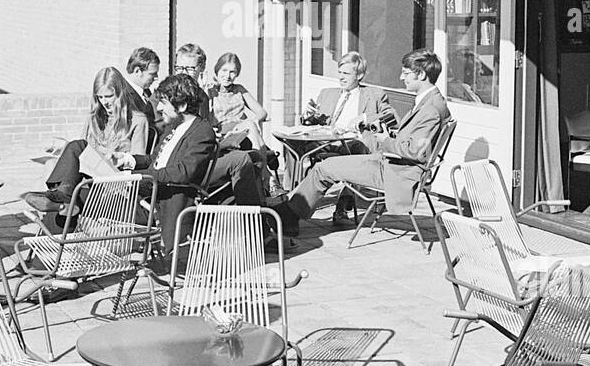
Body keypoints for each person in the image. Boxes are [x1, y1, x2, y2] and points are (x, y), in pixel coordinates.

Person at [276, 49, 451, 230]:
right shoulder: (432, 102)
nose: (401, 77)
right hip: (392, 164)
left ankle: (288, 217)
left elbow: (414, 151)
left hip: (395, 172)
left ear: (421, 74)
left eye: (406, 73)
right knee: (321, 165)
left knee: (324, 168)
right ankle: (289, 212)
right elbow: (413, 143)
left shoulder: (430, 108)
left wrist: (384, 139)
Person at [110, 73, 217, 258]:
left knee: (89, 200)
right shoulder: (173, 128)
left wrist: (140, 177)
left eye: (164, 103)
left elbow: (184, 172)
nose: (159, 108)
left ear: (182, 106)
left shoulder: (202, 132)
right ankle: (63, 198)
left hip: (163, 199)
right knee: (84, 185)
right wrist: (127, 160)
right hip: (148, 191)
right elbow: (154, 160)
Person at [28, 67, 152, 208]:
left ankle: (63, 196)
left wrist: (118, 157)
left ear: (120, 93)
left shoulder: (138, 120)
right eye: (100, 97)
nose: (104, 102)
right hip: (89, 173)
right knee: (53, 162)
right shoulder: (94, 118)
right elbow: (82, 152)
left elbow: (138, 161)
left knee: (76, 146)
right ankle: (64, 203)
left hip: (115, 177)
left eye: (109, 96)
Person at [172, 43, 265, 206]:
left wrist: (253, 122)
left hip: (223, 141)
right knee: (244, 160)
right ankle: (257, 214)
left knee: (254, 155)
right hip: (196, 157)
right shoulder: (203, 92)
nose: (228, 76)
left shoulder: (207, 95)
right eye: (180, 68)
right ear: (216, 71)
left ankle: (259, 214)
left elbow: (202, 127)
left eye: (232, 72)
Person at [122, 46, 161, 133]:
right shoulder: (123, 96)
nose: (156, 77)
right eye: (152, 74)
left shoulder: (146, 91)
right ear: (137, 71)